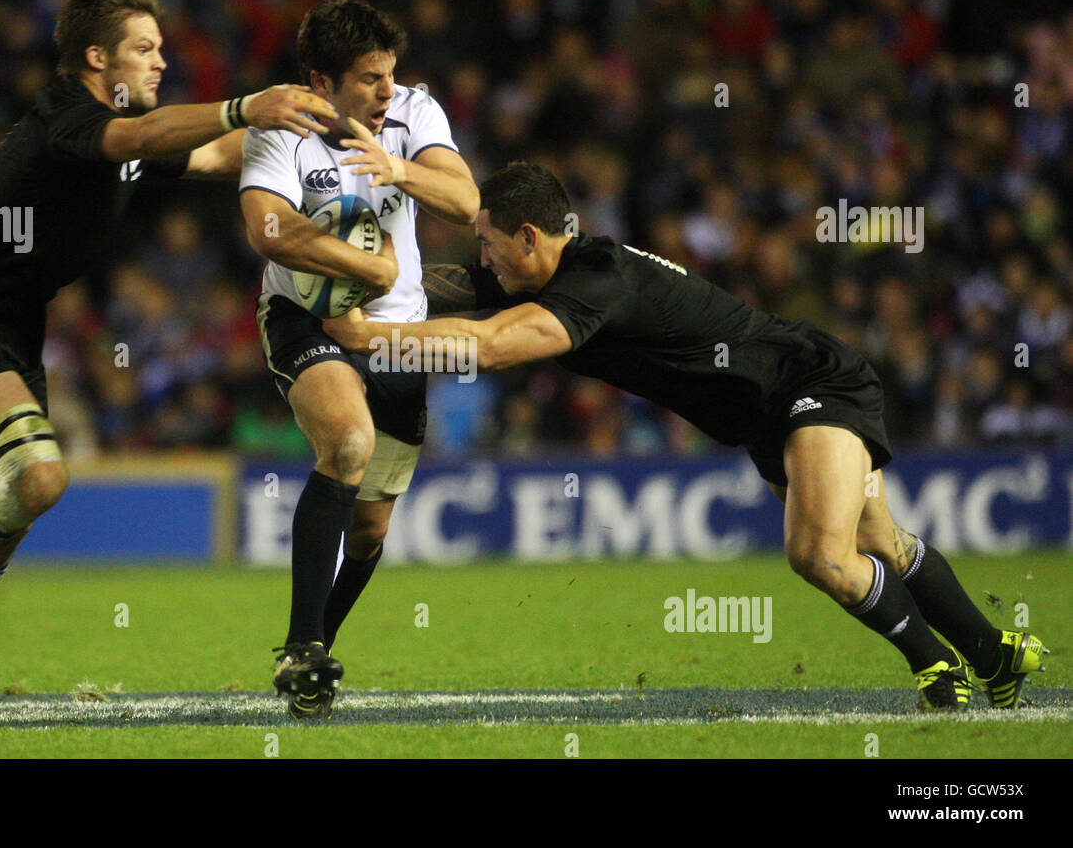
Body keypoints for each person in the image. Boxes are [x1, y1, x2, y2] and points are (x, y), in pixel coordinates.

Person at [325, 161, 1047, 710]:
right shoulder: (529, 275)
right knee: (879, 544)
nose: (481, 259)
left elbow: (489, 349)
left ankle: (935, 668)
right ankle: (995, 656)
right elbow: (437, 286)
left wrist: (372, 339)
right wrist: (352, 272)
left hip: (808, 384)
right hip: (766, 412)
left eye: (486, 244)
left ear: (528, 236)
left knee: (820, 555)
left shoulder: (595, 278)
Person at [0, 0, 338, 725]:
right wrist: (248, 102)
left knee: (12, 514)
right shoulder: (70, 122)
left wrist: (327, 129)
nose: (161, 61)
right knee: (39, 476)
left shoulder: (119, 138)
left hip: (10, 328)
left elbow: (210, 155)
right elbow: (150, 137)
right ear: (96, 58)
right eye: (144, 49)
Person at [239, 0, 478, 718]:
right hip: (304, 318)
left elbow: (466, 204)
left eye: (390, 75)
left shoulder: (414, 112)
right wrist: (356, 272)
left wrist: (398, 171)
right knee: (346, 441)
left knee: (370, 531)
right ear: (321, 81)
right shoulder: (280, 130)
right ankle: (304, 645)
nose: (385, 91)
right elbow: (268, 228)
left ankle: (309, 655)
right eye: (369, 78)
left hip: (400, 333)